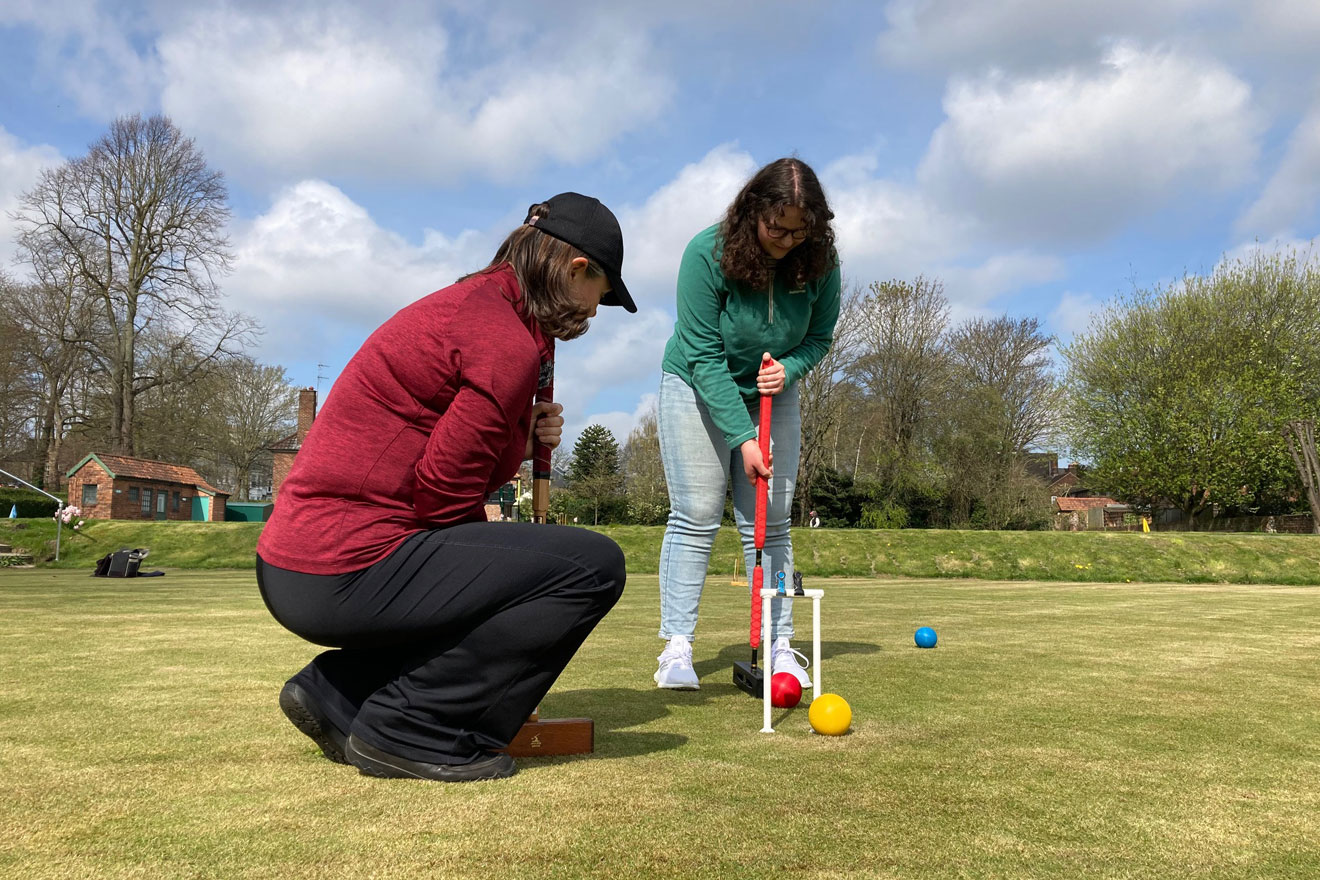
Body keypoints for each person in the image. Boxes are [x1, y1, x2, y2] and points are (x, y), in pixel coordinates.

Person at [256, 193, 635, 782]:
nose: (593, 311)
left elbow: (437, 459)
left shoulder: (474, 307)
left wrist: (515, 436)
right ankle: (415, 727)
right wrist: (499, 577)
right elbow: (444, 495)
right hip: (342, 566)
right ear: (576, 268)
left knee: (519, 568)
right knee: (591, 567)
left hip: (298, 560)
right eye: (601, 294)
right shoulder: (503, 340)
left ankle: (344, 691)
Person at [654, 158, 840, 690]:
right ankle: (676, 648)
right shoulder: (706, 254)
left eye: (799, 232)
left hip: (771, 392)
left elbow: (818, 339)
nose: (786, 241)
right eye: (776, 228)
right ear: (752, 211)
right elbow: (704, 355)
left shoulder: (821, 263)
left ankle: (781, 645)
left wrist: (790, 369)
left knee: (773, 519)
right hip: (696, 383)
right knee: (696, 514)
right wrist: (743, 438)